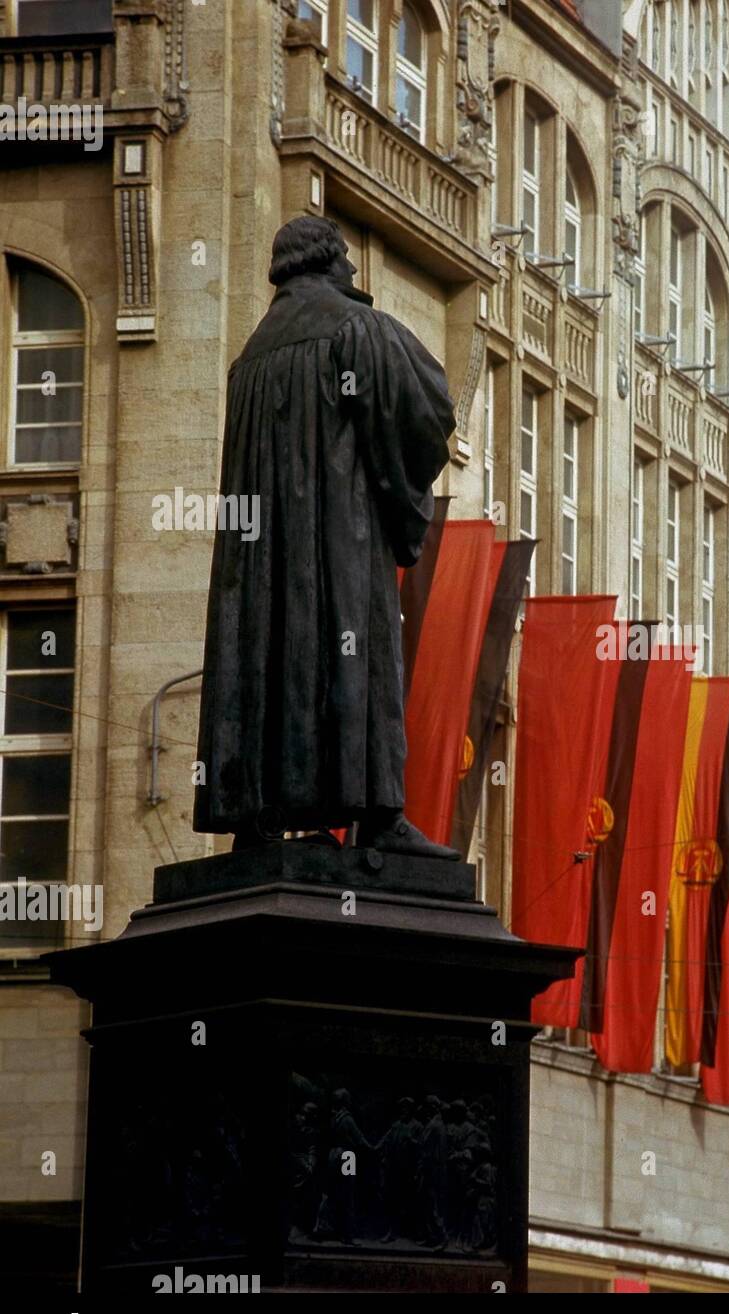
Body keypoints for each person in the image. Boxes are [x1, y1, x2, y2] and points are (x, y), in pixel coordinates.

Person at [194, 215, 457, 854]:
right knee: (353, 654)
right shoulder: (356, 329)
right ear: (328, 261)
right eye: (346, 259)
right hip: (344, 543)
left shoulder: (247, 361)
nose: (352, 272)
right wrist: (400, 504)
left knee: (265, 654)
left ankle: (256, 819)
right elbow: (428, 415)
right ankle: (379, 817)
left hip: (260, 559)